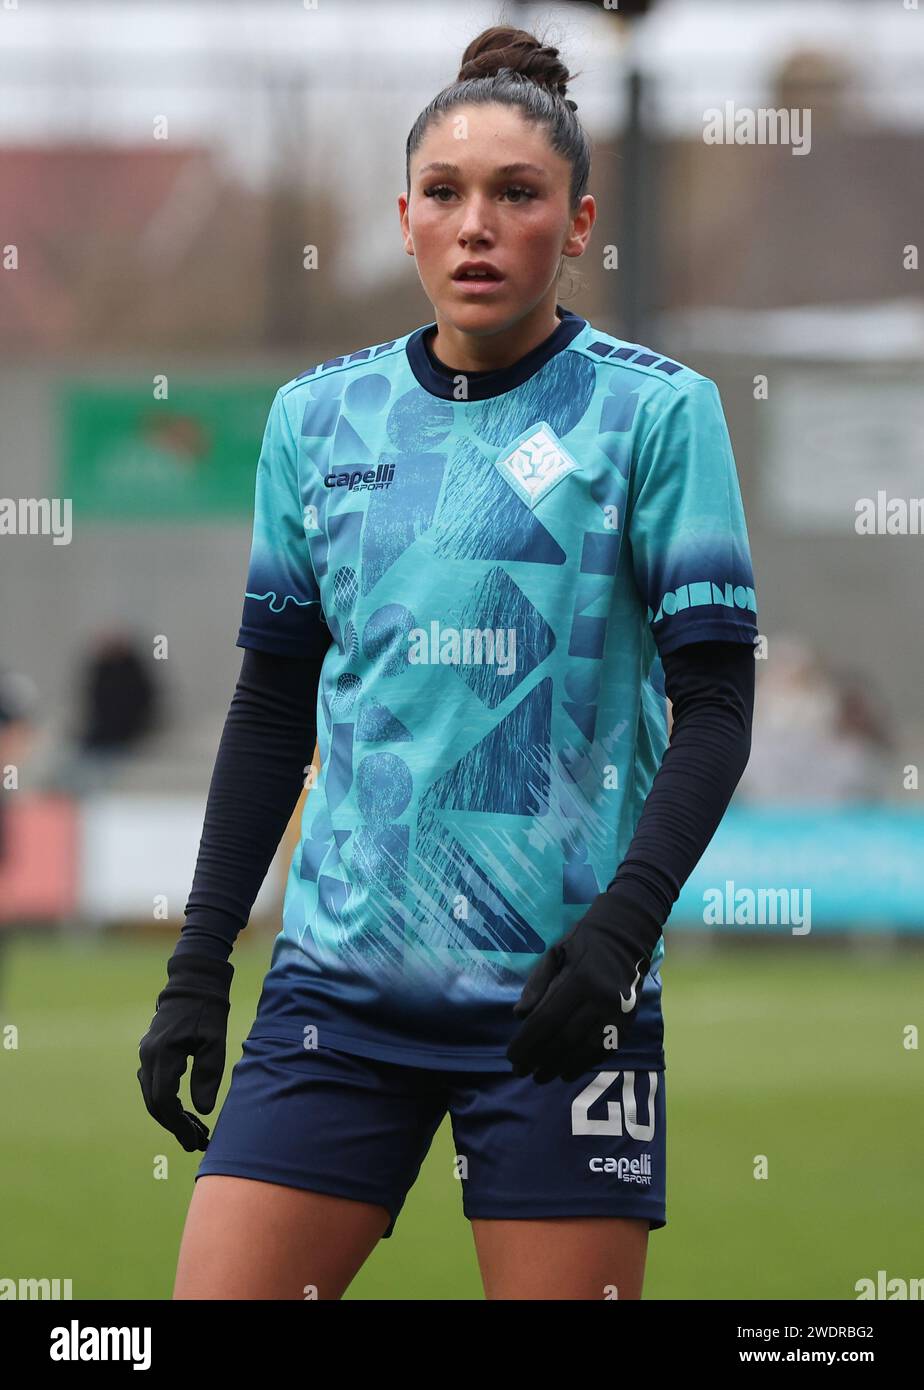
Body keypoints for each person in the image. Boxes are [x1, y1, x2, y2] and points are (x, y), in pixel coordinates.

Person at [138, 24, 757, 1301]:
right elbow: (270, 710)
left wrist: (619, 936)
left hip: (560, 995)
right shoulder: (319, 419)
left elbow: (715, 706)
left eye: (517, 195)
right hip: (335, 997)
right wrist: (202, 963)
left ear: (578, 221)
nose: (478, 224)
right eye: (447, 195)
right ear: (404, 219)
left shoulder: (657, 414)